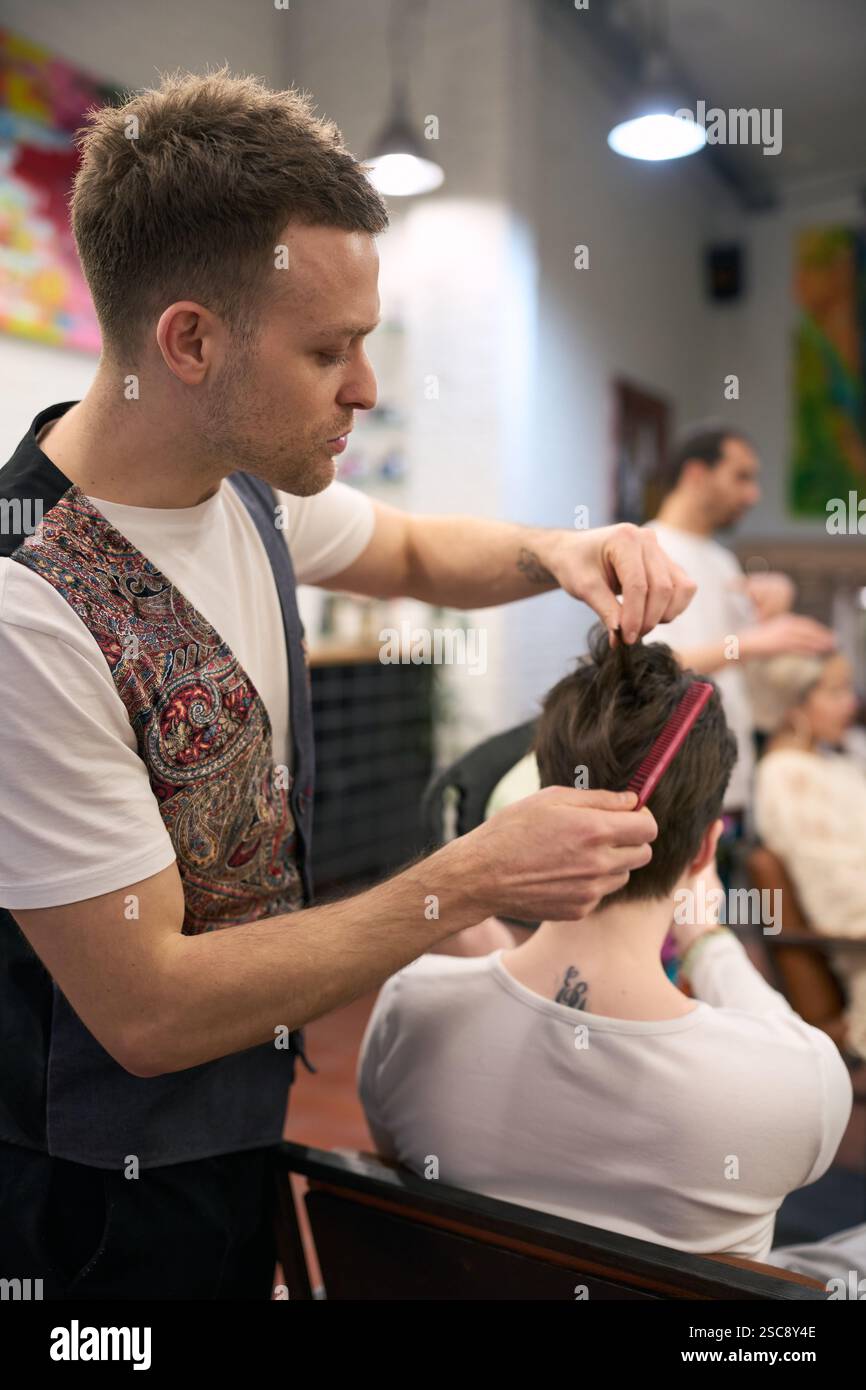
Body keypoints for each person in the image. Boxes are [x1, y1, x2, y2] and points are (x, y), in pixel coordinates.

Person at [0, 69, 694, 1300]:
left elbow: (420, 552)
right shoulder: (28, 609)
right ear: (190, 340)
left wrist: (557, 552)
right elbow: (150, 1005)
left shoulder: (237, 484)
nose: (364, 389)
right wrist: (472, 875)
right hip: (84, 1205)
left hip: (230, 1126)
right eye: (331, 350)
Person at [358, 630, 853, 1262]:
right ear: (706, 848)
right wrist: (705, 940)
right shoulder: (794, 1079)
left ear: (541, 804)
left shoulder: (410, 1007)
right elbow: (785, 1045)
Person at [752, 650, 866, 1060]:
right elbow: (836, 890)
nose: (850, 703)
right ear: (792, 704)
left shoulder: (833, 766)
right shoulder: (786, 775)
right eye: (834, 692)